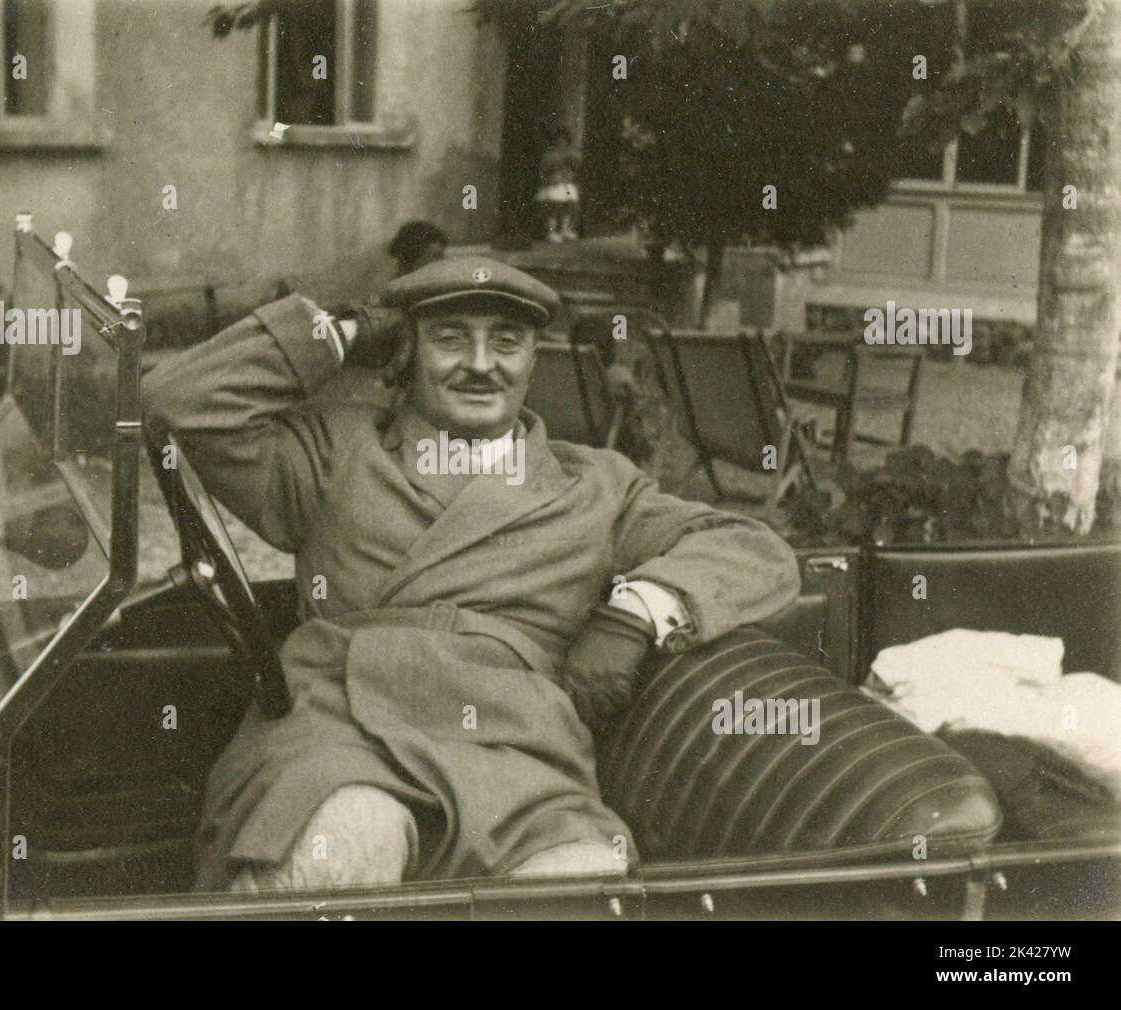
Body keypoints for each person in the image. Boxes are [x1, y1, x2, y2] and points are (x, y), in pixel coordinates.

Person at [140, 256, 799, 891]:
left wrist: (640, 608)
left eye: (506, 342)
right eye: (450, 340)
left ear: (534, 358)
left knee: (584, 886)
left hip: (515, 759)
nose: (481, 366)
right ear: (408, 351)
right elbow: (176, 401)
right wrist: (344, 329)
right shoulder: (336, 448)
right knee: (340, 846)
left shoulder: (594, 484)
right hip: (342, 734)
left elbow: (752, 547)